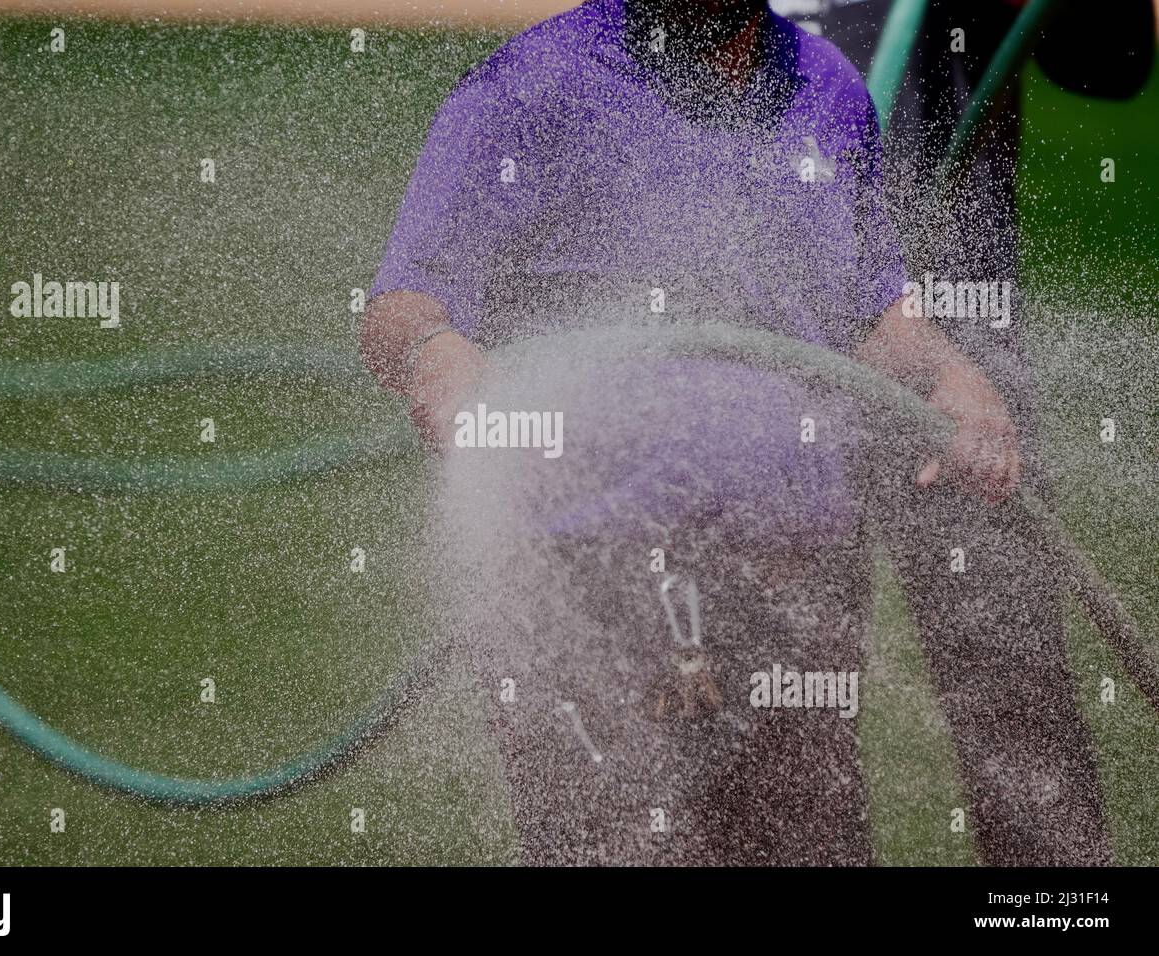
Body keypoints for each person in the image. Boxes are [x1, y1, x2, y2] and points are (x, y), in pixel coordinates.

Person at [360, 0, 1021, 864]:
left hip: (798, 585)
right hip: (587, 591)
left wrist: (950, 374)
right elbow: (401, 307)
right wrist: (444, 369)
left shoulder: (829, 87)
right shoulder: (526, 88)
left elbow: (873, 306)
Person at [768, 0, 1156, 865]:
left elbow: (1111, 57)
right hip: (760, 368)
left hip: (957, 370)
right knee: (787, 732)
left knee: (1017, 717)